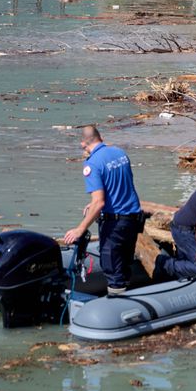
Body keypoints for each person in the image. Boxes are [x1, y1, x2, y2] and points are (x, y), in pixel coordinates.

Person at [63, 125, 143, 297]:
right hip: (133, 219)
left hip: (114, 224)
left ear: (83, 144)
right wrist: (93, 204)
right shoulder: (120, 153)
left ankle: (118, 308)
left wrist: (80, 229)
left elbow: (99, 202)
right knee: (125, 264)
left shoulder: (92, 164)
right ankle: (130, 297)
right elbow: (120, 187)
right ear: (100, 137)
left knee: (112, 269)